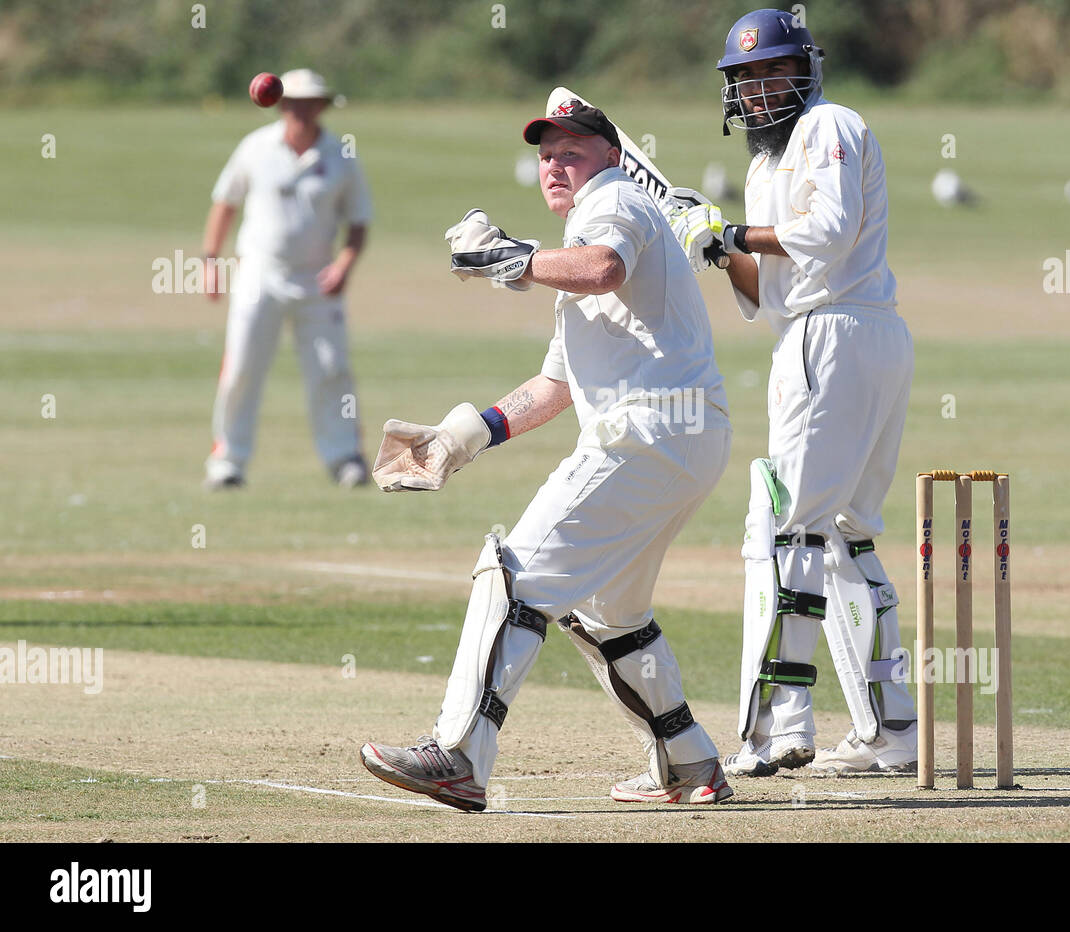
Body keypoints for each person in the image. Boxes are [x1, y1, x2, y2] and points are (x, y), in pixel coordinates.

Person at [359, 98, 734, 811]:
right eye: (546, 154)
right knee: (606, 611)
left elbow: (602, 268)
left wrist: (514, 257)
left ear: (611, 155)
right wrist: (463, 436)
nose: (557, 164)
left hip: (649, 432)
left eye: (573, 150)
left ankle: (460, 752)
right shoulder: (587, 226)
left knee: (512, 574)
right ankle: (690, 763)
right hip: (686, 435)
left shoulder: (614, 200)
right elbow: (556, 385)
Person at [667, 10, 918, 776]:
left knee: (791, 531)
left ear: (803, 72)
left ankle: (781, 725)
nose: (755, 89)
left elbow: (832, 229)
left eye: (770, 72)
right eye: (743, 78)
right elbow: (769, 297)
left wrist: (739, 232)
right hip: (824, 336)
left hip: (840, 334)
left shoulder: (829, 124)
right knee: (844, 532)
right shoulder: (761, 165)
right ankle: (894, 727)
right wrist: (713, 247)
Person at [202, 68, 372, 490]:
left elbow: (358, 221)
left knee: (331, 370)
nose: (302, 110)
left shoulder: (340, 154)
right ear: (281, 105)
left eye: (310, 102)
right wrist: (210, 260)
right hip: (260, 273)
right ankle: (227, 460)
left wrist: (345, 265)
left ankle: (344, 457)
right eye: (295, 102)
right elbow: (225, 202)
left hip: (318, 280)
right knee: (241, 365)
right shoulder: (256, 148)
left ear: (320, 106)